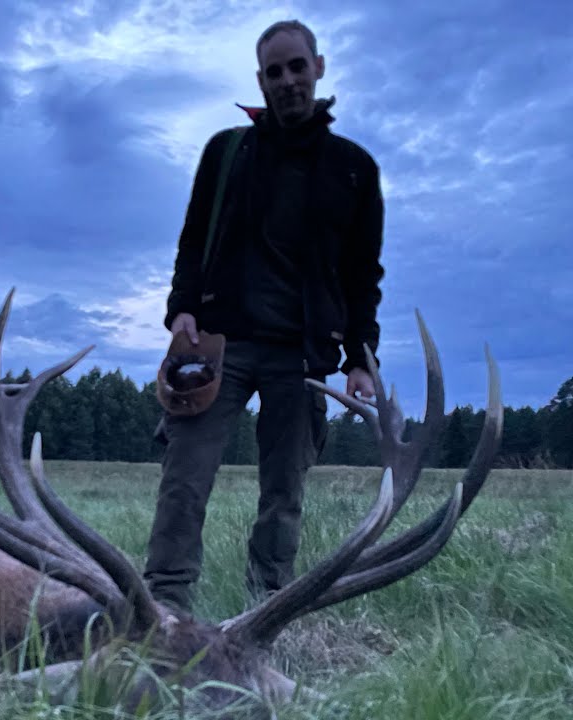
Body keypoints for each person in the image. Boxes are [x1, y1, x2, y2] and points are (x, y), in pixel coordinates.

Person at [142, 19, 386, 613]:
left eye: (297, 67)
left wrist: (360, 357)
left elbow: (363, 275)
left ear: (318, 68)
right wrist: (180, 313)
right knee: (184, 480)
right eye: (274, 72)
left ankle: (267, 610)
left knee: (284, 493)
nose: (287, 81)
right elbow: (193, 239)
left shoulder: (353, 168)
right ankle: (165, 610)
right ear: (260, 80)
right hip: (217, 347)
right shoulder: (227, 153)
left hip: (300, 356)